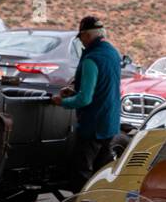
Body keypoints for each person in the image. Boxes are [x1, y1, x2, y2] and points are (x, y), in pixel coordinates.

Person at [51, 16, 122, 184]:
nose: (81, 41)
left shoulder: (92, 59)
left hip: (93, 125)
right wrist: (75, 88)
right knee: (101, 172)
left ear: (87, 35)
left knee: (80, 171)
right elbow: (103, 84)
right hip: (110, 121)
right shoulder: (112, 53)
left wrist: (62, 102)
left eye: (81, 36)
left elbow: (85, 99)